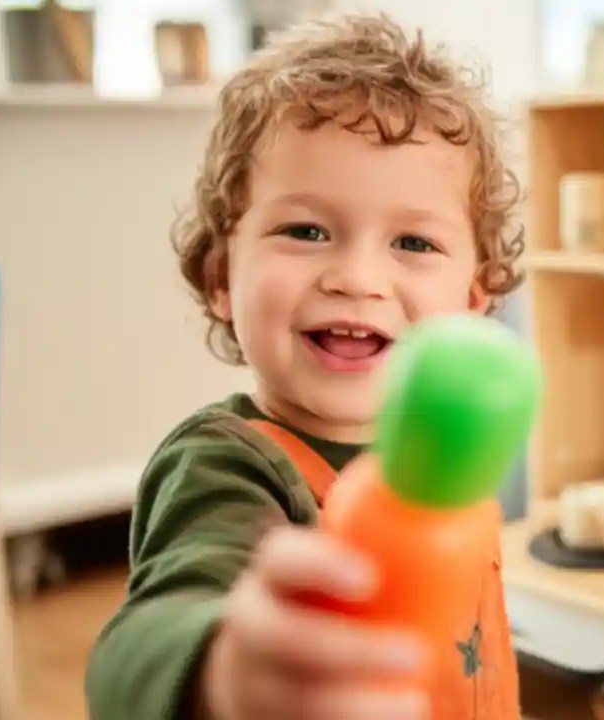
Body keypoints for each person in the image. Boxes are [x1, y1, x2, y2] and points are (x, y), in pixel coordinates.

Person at [84, 10, 525, 720]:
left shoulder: (442, 468)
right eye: (307, 230)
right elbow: (138, 646)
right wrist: (223, 671)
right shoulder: (224, 467)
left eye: (413, 242)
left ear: (476, 299)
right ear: (221, 276)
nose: (357, 277)